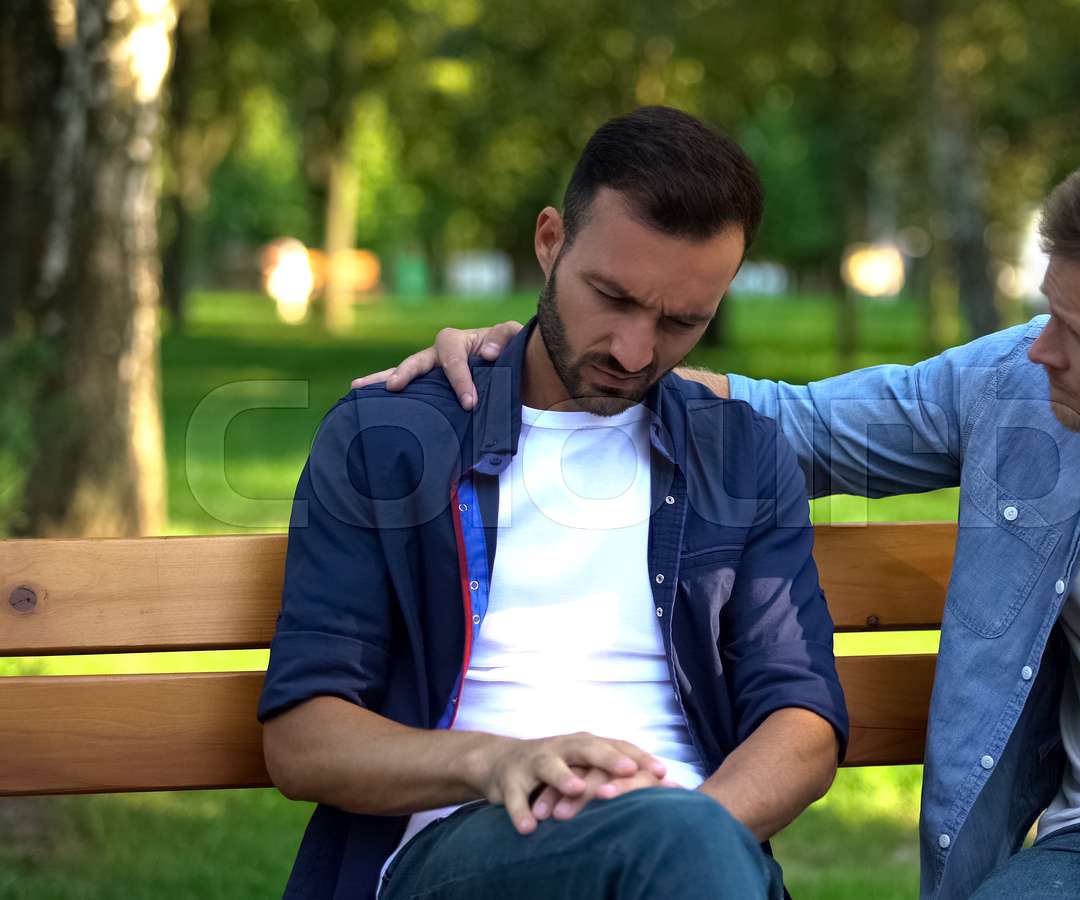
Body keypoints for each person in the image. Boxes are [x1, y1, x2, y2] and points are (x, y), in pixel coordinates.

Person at [371, 150, 1080, 899]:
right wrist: (523, 356)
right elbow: (795, 426)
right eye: (1045, 314)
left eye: (1076, 336)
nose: (1039, 353)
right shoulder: (1019, 386)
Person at [260, 106, 848, 900]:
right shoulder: (390, 440)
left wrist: (686, 839)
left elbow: (802, 725)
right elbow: (304, 740)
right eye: (612, 297)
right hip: (463, 844)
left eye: (683, 322)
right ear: (549, 242)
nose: (635, 352)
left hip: (698, 847)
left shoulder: (740, 453)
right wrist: (497, 760)